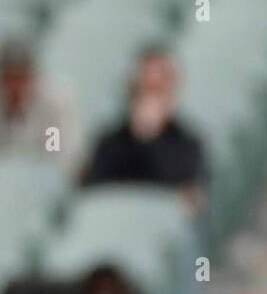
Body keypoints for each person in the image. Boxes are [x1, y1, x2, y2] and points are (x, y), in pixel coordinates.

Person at [80, 47, 204, 208]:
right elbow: (96, 192)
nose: (150, 98)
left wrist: (149, 136)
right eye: (145, 87)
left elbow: (179, 192)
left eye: (158, 88)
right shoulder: (108, 142)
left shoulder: (188, 144)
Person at [0, 38, 81, 170]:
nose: (15, 87)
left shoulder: (55, 102)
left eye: (21, 78)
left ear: (33, 76)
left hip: (42, 181)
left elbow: (59, 151)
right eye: (8, 78)